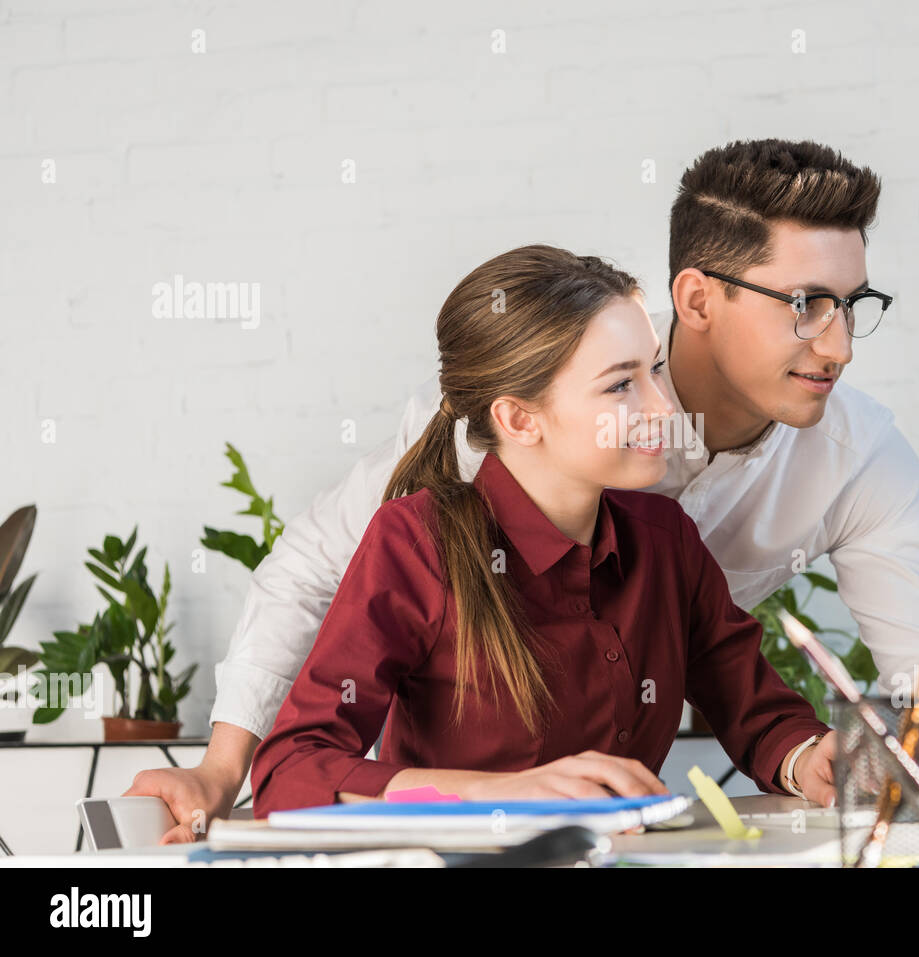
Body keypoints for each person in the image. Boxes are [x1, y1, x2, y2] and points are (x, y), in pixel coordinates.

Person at [129, 138, 919, 842]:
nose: (839, 346)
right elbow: (300, 737)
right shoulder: (428, 528)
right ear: (518, 418)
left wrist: (822, 759)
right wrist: (219, 769)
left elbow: (764, 701)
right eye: (805, 304)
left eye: (851, 305)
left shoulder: (671, 530)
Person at [251, 244, 835, 814]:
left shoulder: (665, 540)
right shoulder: (417, 544)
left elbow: (759, 716)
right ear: (519, 419)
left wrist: (810, 759)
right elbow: (292, 769)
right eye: (620, 385)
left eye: (653, 369)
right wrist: (494, 792)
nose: (664, 408)